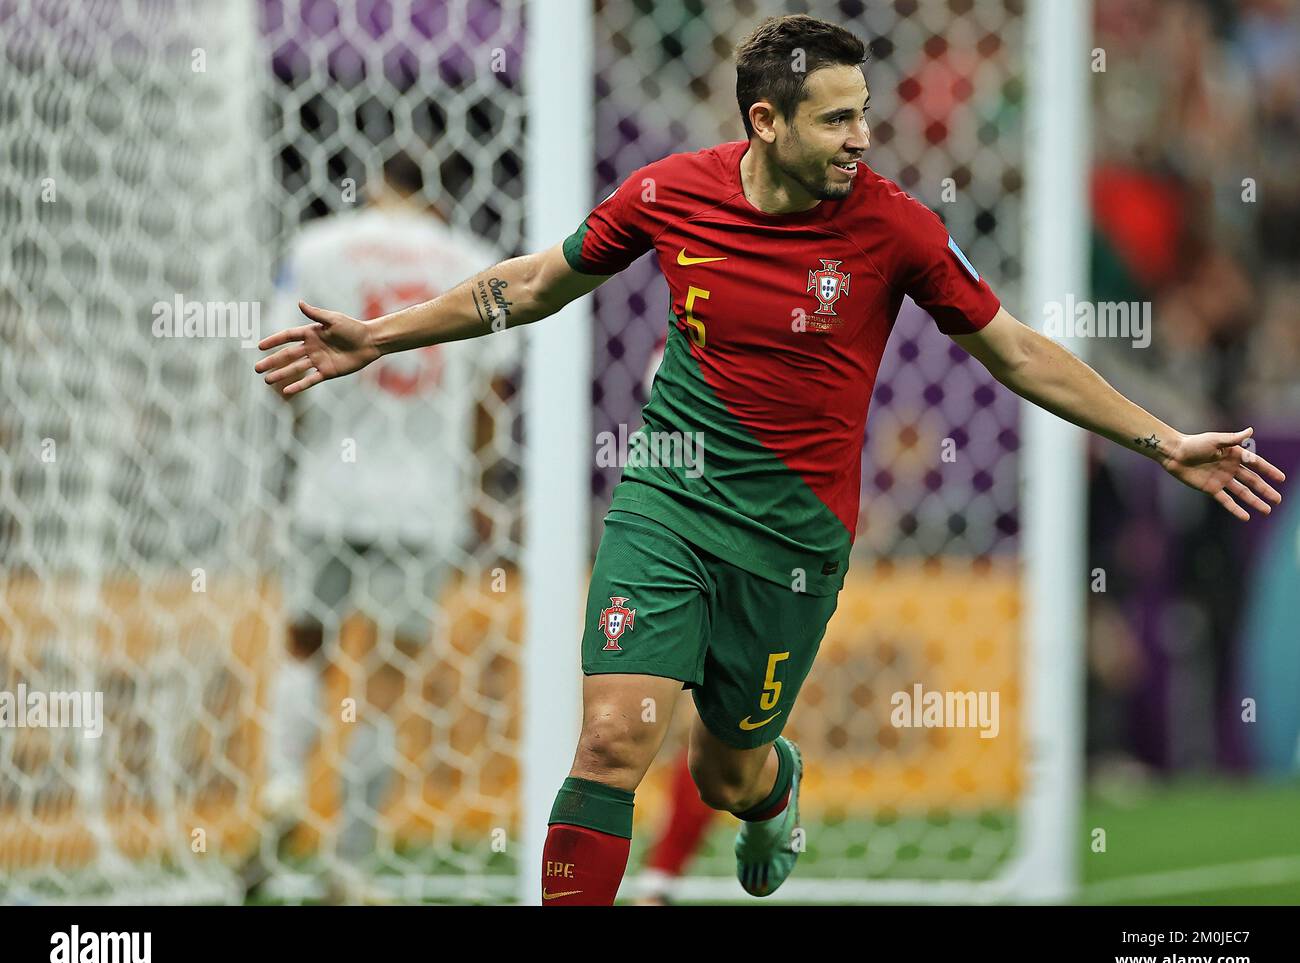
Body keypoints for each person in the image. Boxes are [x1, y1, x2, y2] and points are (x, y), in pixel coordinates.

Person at [255, 15, 1285, 905]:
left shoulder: (893, 225)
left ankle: (772, 789)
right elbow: (532, 283)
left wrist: (1161, 439)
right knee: (611, 738)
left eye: (863, 112)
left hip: (793, 540)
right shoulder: (669, 194)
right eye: (836, 119)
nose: (860, 137)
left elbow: (1012, 348)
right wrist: (376, 338)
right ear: (765, 124)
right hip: (664, 498)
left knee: (725, 771)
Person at [249, 151, 509, 903]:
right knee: (387, 684)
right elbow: (490, 394)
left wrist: (311, 434)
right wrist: (482, 480)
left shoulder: (320, 246)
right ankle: (351, 865)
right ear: (441, 199)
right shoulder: (471, 261)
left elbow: (282, 369)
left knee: (304, 643)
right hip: (423, 500)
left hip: (330, 482)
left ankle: (282, 786)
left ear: (373, 186)